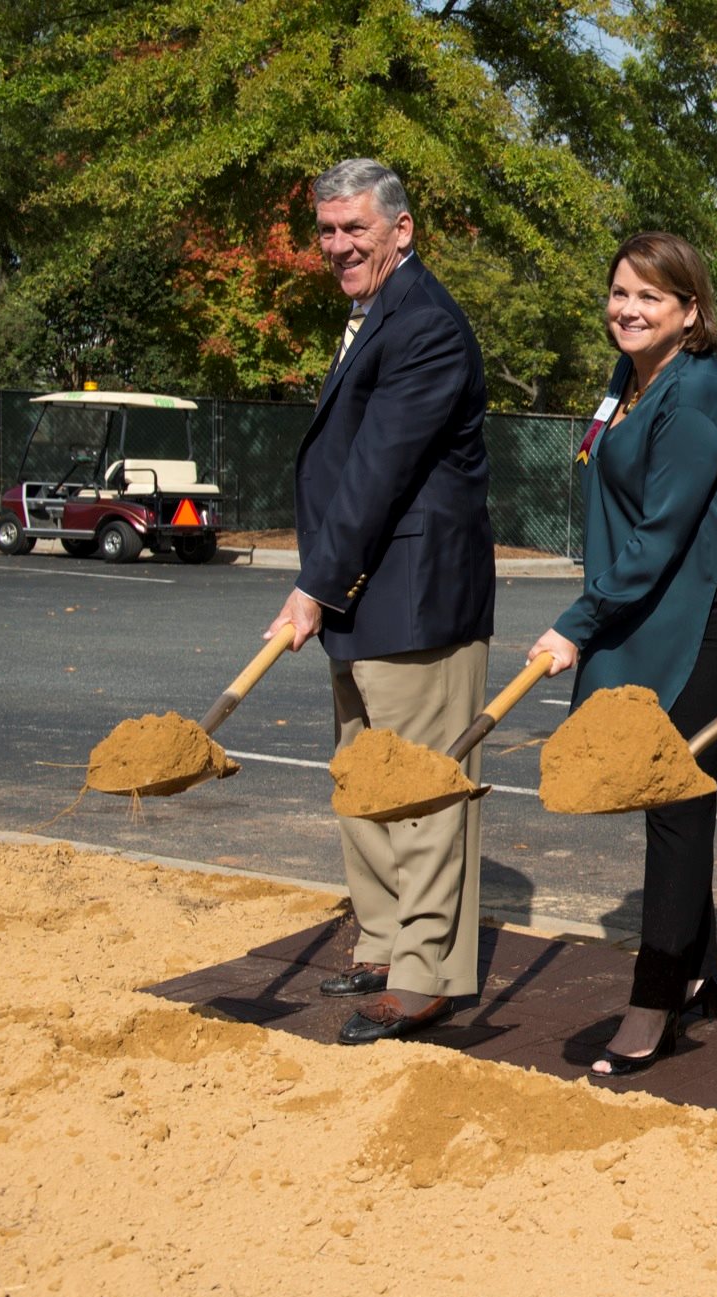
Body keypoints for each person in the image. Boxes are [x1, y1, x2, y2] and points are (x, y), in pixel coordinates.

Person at [528, 232, 717, 1076]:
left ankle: (656, 1002)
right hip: (658, 610)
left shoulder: (702, 393)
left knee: (675, 794)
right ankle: (698, 972)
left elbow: (661, 534)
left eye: (650, 296)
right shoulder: (629, 382)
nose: (629, 309)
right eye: (620, 293)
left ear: (691, 311)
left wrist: (577, 624)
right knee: (666, 796)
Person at [265, 158, 496, 1044]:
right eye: (326, 230)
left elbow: (379, 470)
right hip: (364, 592)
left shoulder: (426, 323)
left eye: (354, 228)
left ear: (402, 229)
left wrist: (313, 587)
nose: (338, 245)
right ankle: (385, 938)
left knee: (424, 789)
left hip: (417, 596)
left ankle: (425, 973)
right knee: (361, 776)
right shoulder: (373, 313)